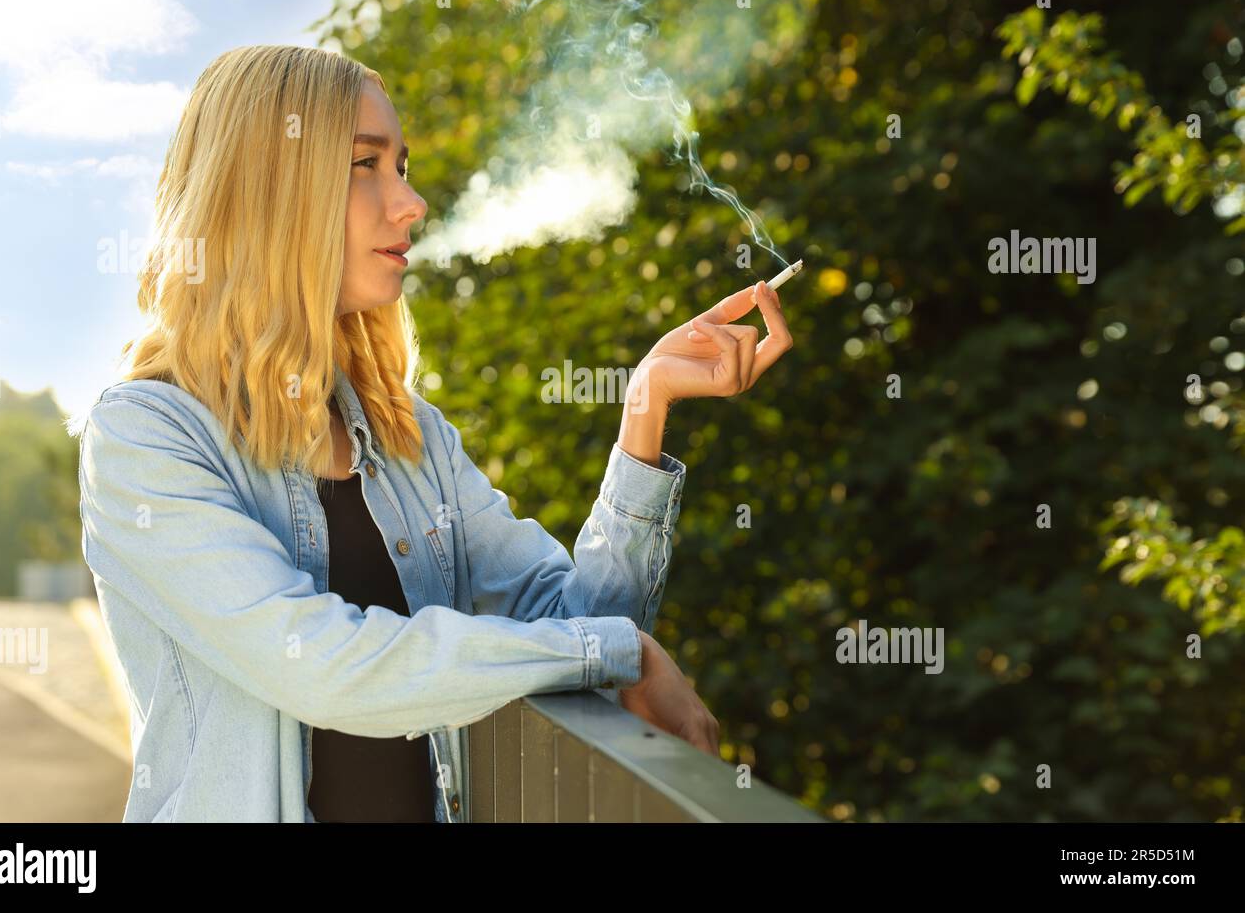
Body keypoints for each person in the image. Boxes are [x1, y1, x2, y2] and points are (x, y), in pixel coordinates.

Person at [75, 45, 793, 822]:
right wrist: (617, 650)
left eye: (404, 165)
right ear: (268, 191)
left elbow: (575, 619)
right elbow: (320, 663)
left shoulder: (411, 434)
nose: (410, 202)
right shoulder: (146, 438)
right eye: (365, 165)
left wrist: (645, 411)